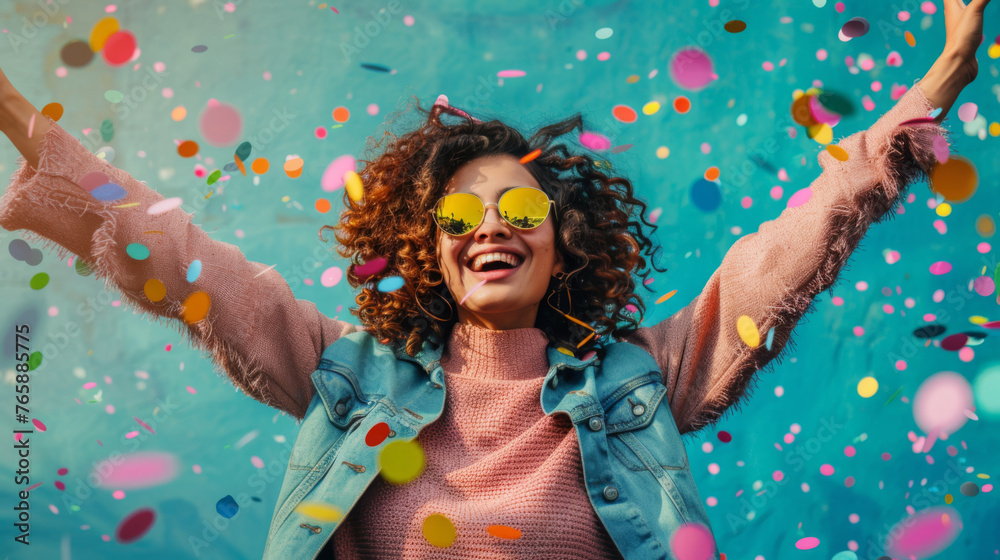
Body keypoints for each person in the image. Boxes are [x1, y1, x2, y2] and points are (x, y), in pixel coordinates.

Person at [0, 1, 988, 557]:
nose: (490, 230)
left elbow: (786, 250)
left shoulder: (639, 376)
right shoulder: (347, 378)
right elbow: (192, 268)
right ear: (425, 248)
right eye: (459, 217)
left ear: (561, 242)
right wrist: (41, 142)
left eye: (519, 212)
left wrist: (939, 78)